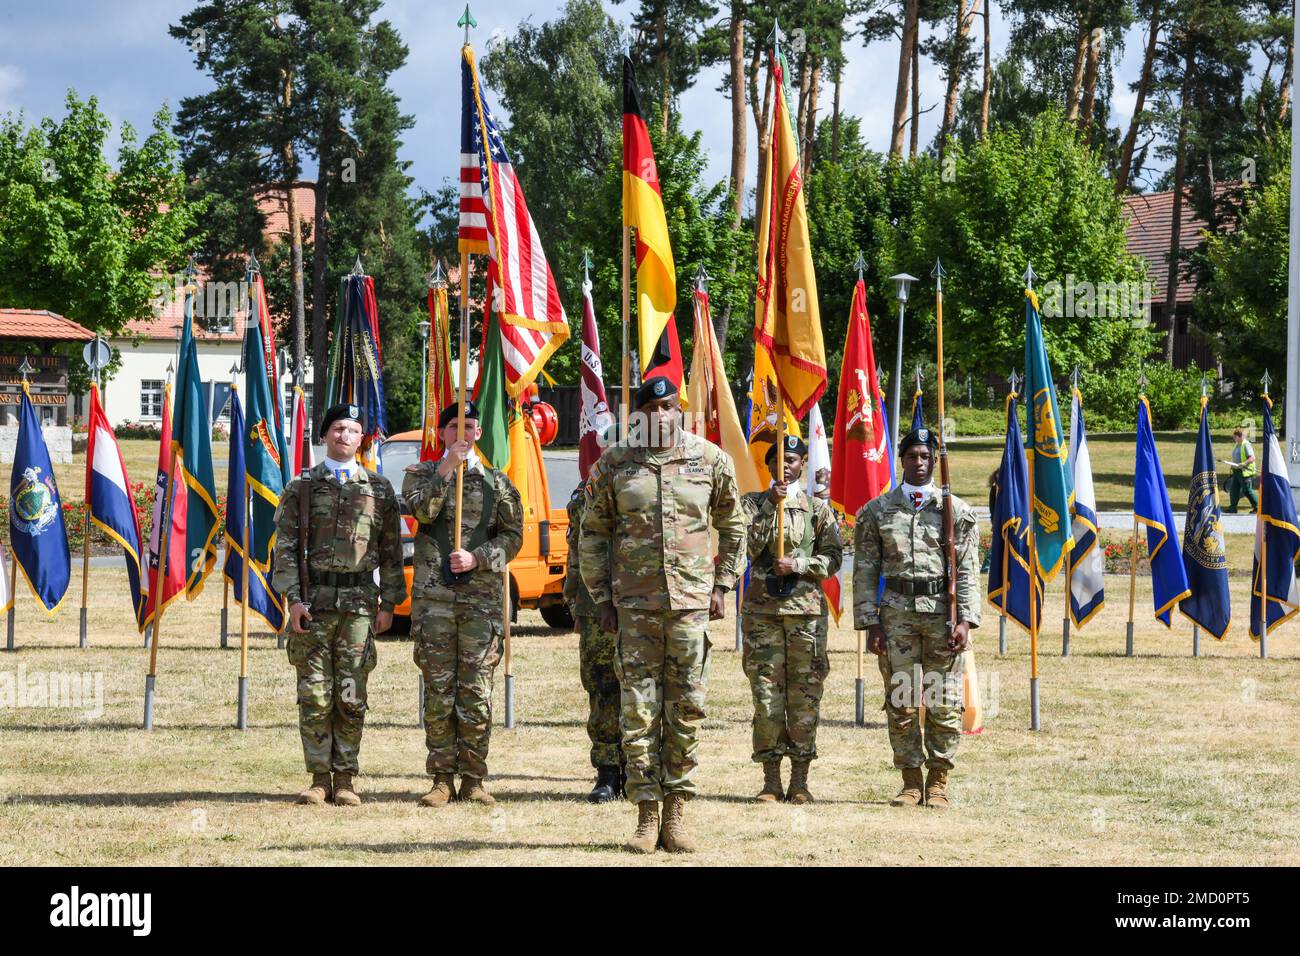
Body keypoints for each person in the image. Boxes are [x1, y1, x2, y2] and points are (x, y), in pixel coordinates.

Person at [580, 376, 745, 854]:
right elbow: (592, 533)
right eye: (651, 410)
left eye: (669, 407)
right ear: (640, 415)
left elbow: (734, 525)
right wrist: (602, 599)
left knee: (686, 706)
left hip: (690, 606)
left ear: (680, 409)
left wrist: (723, 585)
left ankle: (677, 812)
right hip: (635, 607)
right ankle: (646, 814)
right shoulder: (615, 462)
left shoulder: (710, 459)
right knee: (639, 708)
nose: (661, 416)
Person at [272, 402, 405, 807]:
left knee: (350, 691)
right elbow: (286, 549)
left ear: (362, 437)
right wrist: (293, 601)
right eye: (337, 428)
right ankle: (318, 778)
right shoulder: (303, 487)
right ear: (325, 435)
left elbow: (391, 550)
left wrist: (389, 603)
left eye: (351, 429)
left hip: (360, 606)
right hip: (314, 606)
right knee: (314, 694)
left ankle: (345, 778)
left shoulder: (378, 488)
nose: (344, 435)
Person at [401, 401, 523, 808]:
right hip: (434, 602)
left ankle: (473, 777)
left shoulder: (498, 484)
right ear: (442, 433)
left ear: (479, 433)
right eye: (454, 426)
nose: (462, 433)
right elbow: (419, 510)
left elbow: (514, 539)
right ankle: (440, 778)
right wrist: (445, 469)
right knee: (439, 691)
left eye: (469, 426)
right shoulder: (420, 475)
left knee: (475, 691)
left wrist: (479, 558)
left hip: (480, 604)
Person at [852, 427, 981, 810]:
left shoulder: (955, 511)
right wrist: (870, 622)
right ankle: (910, 782)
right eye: (913, 456)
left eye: (926, 456)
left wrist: (966, 620)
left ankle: (938, 781)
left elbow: (969, 570)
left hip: (943, 614)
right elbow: (864, 571)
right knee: (902, 701)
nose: (920, 463)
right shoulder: (877, 511)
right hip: (896, 618)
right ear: (902, 460)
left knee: (944, 701)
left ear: (935, 461)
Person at [739, 435, 843, 804]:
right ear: (768, 466)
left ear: (802, 465)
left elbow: (833, 558)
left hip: (805, 615)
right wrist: (771, 504)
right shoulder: (752, 503)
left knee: (805, 697)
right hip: (763, 615)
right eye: (778, 459)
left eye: (793, 459)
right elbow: (744, 548)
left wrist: (798, 564)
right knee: (766, 697)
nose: (785, 465)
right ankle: (770, 780)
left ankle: (800, 779)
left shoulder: (818, 509)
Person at [565, 475, 623, 803]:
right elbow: (577, 545)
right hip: (595, 604)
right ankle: (608, 771)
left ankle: (639, 768)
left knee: (645, 689)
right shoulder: (590, 487)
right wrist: (575, 601)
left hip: (643, 599)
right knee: (602, 688)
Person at [1225, 427, 1258, 514]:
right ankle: (1232, 509)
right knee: (1233, 490)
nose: (1234, 438)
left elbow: (1252, 458)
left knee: (1247, 491)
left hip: (1245, 472)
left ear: (1239, 436)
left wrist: (1244, 463)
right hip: (1237, 472)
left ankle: (1258, 508)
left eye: (1235, 436)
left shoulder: (1246, 444)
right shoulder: (1237, 444)